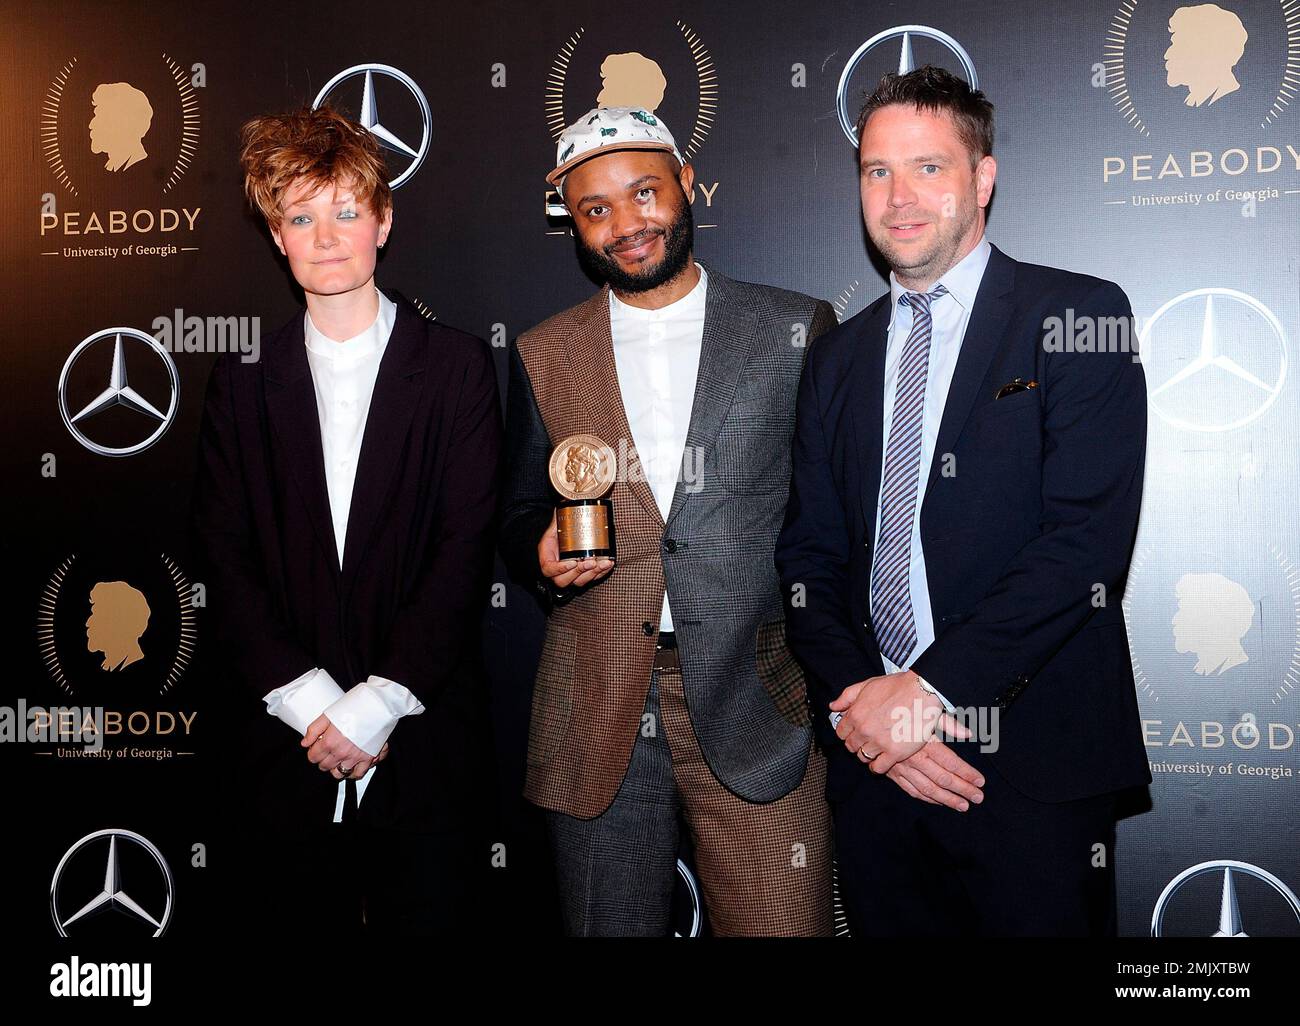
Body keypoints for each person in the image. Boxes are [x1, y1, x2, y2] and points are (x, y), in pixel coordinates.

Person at [775, 66, 1150, 936]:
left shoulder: (1078, 314)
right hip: (877, 772)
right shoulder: (836, 357)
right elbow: (809, 559)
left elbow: (1083, 547)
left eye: (929, 167)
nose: (899, 196)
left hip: (1033, 768)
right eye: (876, 171)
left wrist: (926, 694)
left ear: (983, 178)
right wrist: (865, 711)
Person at [499, 105, 837, 936]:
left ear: (687, 185)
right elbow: (517, 509)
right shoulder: (543, 351)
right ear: (573, 226)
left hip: (759, 698)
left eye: (643, 193)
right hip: (596, 701)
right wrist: (537, 551)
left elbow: (832, 516)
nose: (626, 225)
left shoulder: (797, 327)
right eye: (595, 210)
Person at [193, 103, 501, 934]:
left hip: (425, 741)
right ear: (275, 235)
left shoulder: (459, 368)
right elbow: (225, 560)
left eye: (345, 211)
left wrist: (373, 709)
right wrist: (314, 710)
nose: (325, 237)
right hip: (280, 750)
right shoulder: (243, 380)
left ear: (384, 219)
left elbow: (463, 550)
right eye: (301, 216)